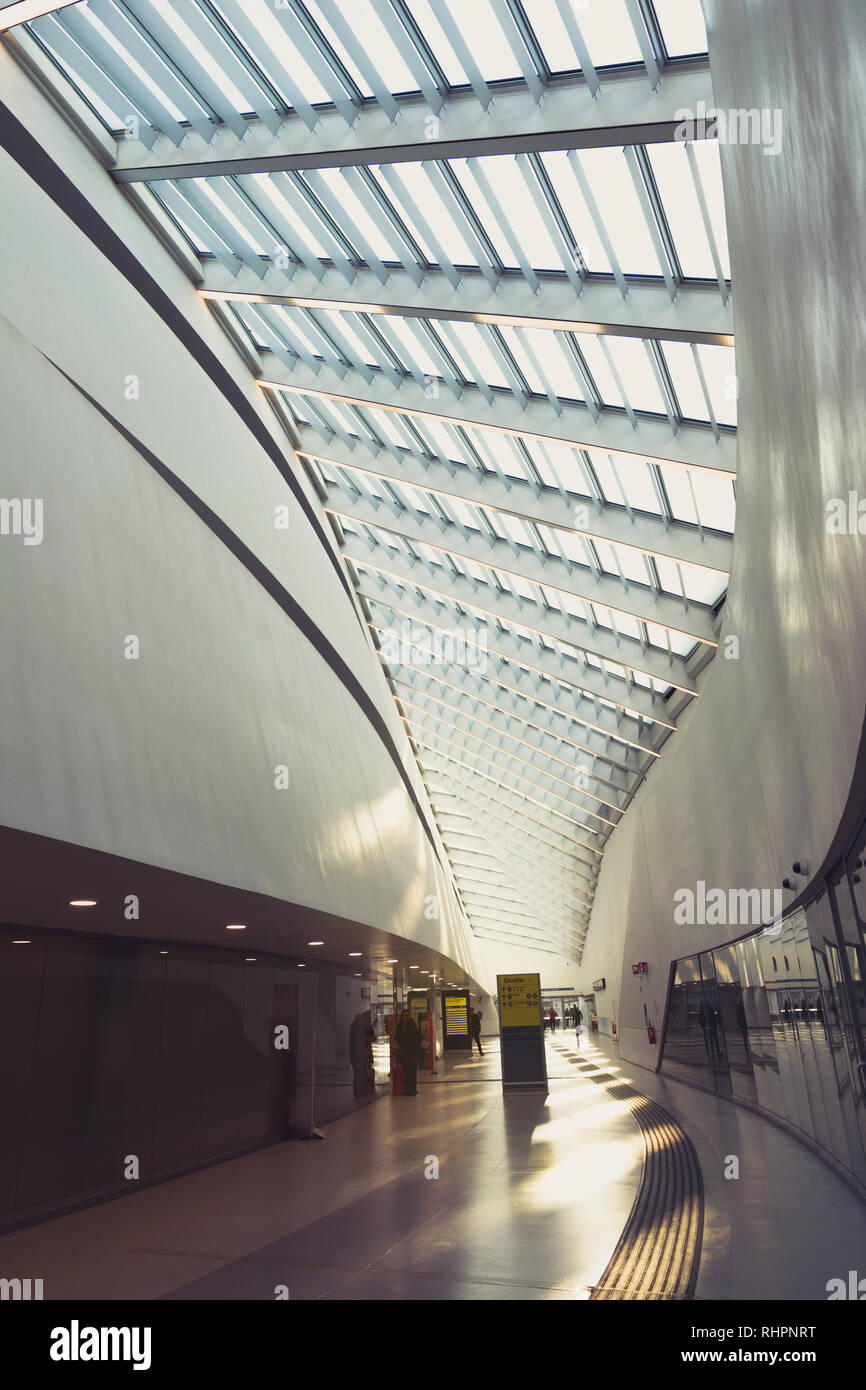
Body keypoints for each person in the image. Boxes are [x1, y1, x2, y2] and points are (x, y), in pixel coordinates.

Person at [399, 1012, 422, 1095]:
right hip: (415, 1056)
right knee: (413, 1073)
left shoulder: (407, 1033)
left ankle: (409, 1090)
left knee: (408, 1074)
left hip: (408, 1056)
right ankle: (413, 1089)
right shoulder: (417, 1032)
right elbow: (419, 1043)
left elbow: (406, 1046)